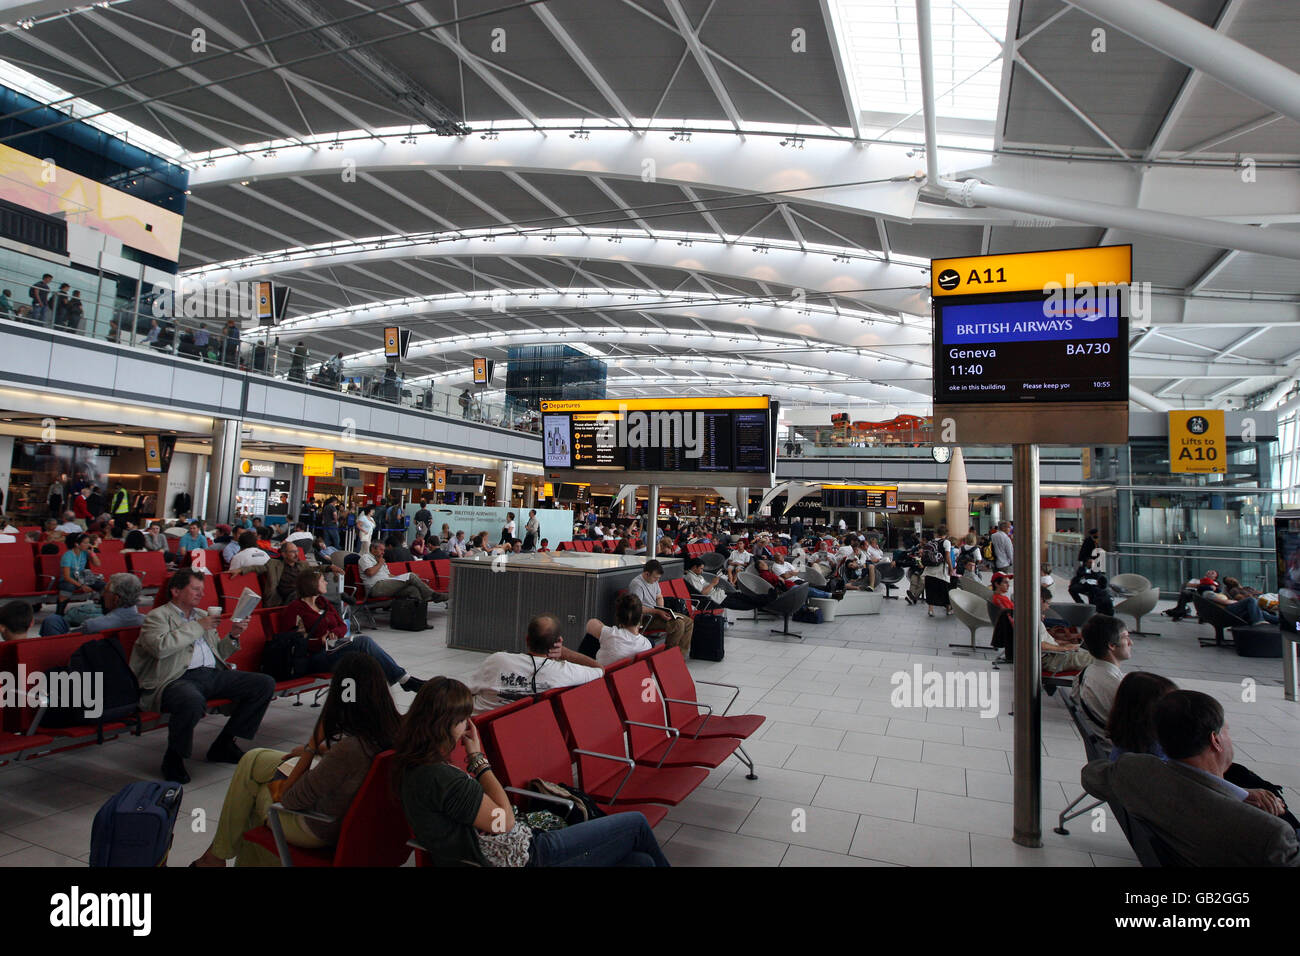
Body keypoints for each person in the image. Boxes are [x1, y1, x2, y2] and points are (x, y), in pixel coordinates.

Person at [397, 677, 669, 867]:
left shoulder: (413, 765)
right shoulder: (443, 779)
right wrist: (479, 761)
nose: (465, 727)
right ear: (446, 725)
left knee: (640, 861)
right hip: (528, 857)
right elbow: (503, 822)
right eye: (461, 721)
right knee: (635, 824)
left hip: (517, 850)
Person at [191, 654, 402, 867]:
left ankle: (214, 858)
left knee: (253, 792)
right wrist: (320, 750)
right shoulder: (391, 731)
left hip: (318, 828)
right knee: (253, 758)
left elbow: (290, 799)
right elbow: (351, 762)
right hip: (357, 824)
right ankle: (214, 857)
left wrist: (311, 748)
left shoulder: (349, 749)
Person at [1082, 690, 1299, 867]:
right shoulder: (1270, 834)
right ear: (1215, 740)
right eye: (1227, 732)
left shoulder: (1136, 771)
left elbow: (1090, 775)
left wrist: (1237, 794)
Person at [130, 569, 274, 784]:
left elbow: (219, 654)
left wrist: (234, 634)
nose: (200, 593)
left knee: (263, 684)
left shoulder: (201, 616)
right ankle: (174, 757)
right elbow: (160, 648)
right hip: (176, 678)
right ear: (176, 591)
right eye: (195, 589)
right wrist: (198, 627)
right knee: (191, 700)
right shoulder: (157, 616)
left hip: (211, 674)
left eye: (202, 589)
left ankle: (225, 743)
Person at [287, 569, 424, 692]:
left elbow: (342, 625)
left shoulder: (323, 602)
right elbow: (291, 640)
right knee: (363, 643)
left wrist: (335, 633)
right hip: (313, 657)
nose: (326, 583)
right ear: (312, 584)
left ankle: (360, 703)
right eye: (323, 581)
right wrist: (319, 641)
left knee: (364, 659)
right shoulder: (296, 608)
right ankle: (404, 680)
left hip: (333, 648)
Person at [468, 613, 603, 712]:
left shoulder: (497, 660)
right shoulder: (566, 672)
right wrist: (566, 653)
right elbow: (600, 669)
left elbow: (468, 691)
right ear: (558, 642)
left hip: (479, 736)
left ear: (527, 639)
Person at [1072, 614, 1133, 734]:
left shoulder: (1084, 674)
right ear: (1111, 645)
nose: (1131, 643)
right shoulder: (1115, 685)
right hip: (1116, 748)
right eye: (1126, 637)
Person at [627, 560, 694, 652]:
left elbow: (659, 597)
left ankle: (681, 654)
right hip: (646, 618)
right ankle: (669, 654)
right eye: (655, 578)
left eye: (658, 578)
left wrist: (662, 609)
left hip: (656, 613)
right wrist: (658, 612)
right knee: (678, 624)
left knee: (688, 622)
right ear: (647, 574)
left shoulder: (653, 581)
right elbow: (637, 608)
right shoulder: (637, 585)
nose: (657, 580)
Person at [358, 541, 442, 603]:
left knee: (413, 589)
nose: (383, 552)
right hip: (376, 587)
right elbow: (370, 573)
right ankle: (433, 595)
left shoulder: (381, 560)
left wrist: (401, 577)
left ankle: (417, 619)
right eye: (381, 550)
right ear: (373, 549)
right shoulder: (365, 558)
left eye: (384, 550)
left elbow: (388, 575)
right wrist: (380, 563)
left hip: (387, 585)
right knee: (411, 576)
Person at [584, 593, 652, 668]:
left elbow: (590, 623)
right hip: (624, 676)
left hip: (598, 675)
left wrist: (607, 630)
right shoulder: (647, 644)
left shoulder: (611, 634)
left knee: (591, 637)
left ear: (617, 617)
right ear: (641, 617)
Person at [58, 532, 106, 600]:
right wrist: (82, 586)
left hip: (81, 578)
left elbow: (97, 564)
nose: (88, 545)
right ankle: (60, 607)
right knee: (68, 587)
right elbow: (67, 577)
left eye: (88, 543)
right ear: (77, 544)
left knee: (102, 585)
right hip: (69, 580)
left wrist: (92, 553)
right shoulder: (68, 556)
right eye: (86, 543)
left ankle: (104, 605)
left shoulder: (84, 553)